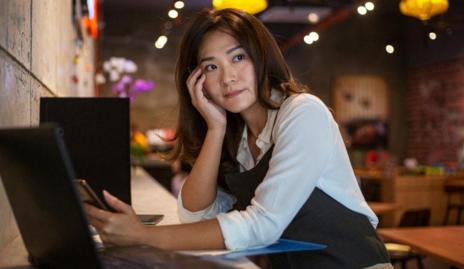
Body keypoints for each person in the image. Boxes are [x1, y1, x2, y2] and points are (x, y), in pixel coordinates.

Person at [85, 8, 391, 268]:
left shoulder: (303, 113)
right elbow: (195, 215)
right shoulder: (240, 138)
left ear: (261, 58)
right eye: (211, 67)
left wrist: (143, 236)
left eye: (238, 57)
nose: (227, 77)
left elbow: (263, 225)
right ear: (198, 80)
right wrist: (215, 129)